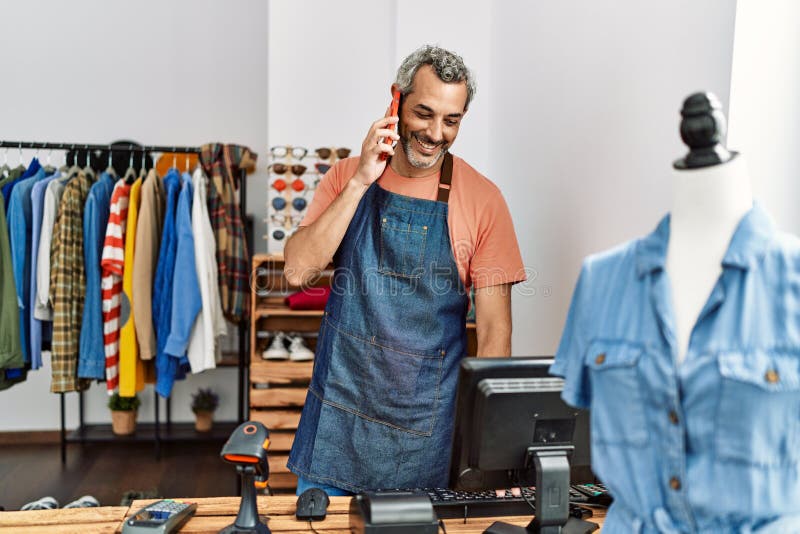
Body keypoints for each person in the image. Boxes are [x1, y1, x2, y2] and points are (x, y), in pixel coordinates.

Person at [283, 45, 526, 494]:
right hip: (336, 422)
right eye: (424, 113)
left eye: (451, 121)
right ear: (395, 100)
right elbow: (298, 272)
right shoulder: (344, 177)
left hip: (423, 436)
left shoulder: (483, 201)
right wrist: (360, 180)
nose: (436, 133)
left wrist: (489, 452)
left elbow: (495, 334)